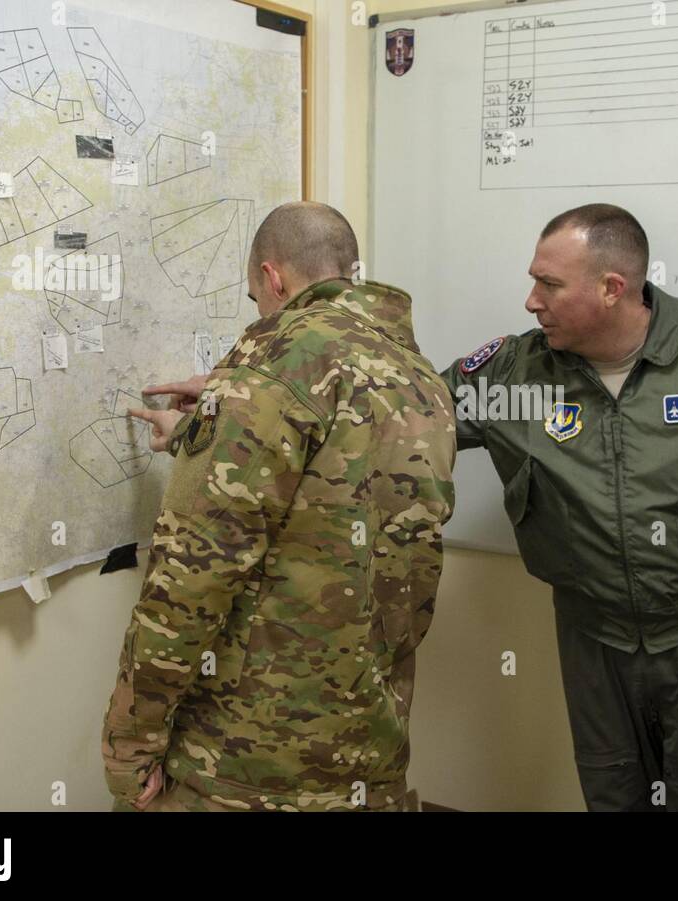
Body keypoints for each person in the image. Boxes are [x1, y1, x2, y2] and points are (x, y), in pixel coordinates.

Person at [100, 202, 456, 811]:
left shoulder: (268, 369)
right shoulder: (417, 374)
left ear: (273, 278)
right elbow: (332, 489)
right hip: (367, 746)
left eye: (255, 297)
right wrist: (214, 416)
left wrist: (130, 743)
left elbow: (192, 575)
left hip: (247, 762)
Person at [444, 204, 678, 811]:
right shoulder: (514, 376)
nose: (531, 301)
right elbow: (394, 411)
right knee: (613, 796)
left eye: (549, 284)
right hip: (593, 638)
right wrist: (242, 387)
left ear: (612, 288)